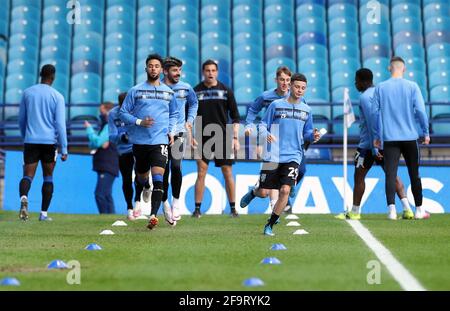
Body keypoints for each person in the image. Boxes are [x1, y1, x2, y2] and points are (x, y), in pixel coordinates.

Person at [240, 73, 320, 235]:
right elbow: (263, 124)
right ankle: (254, 192)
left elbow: (307, 132)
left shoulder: (306, 110)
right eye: (297, 86)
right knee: (264, 192)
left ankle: (270, 224)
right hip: (273, 154)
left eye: (303, 88)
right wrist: (265, 134)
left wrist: (313, 136)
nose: (299, 90)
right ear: (290, 86)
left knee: (285, 190)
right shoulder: (276, 105)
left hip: (294, 155)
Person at [335, 68, 413, 220]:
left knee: (359, 177)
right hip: (388, 143)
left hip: (368, 145)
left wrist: (375, 146)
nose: (355, 83)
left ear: (363, 81)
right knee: (393, 176)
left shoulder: (365, 97)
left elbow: (373, 122)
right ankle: (407, 209)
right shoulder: (382, 93)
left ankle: (355, 211)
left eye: (356, 80)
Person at [119, 54, 179, 229]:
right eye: (150, 66)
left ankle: (153, 215)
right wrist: (139, 122)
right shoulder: (135, 91)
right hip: (140, 142)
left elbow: (174, 114)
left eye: (156, 66)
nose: (153, 68)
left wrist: (172, 131)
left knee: (159, 176)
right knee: (142, 176)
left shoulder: (169, 92)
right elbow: (123, 112)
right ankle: (145, 186)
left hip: (160, 141)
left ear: (162, 70)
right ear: (146, 69)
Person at [372, 56, 430, 220]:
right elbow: (420, 111)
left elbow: (375, 113)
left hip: (390, 138)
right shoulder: (412, 86)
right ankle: (419, 210)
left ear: (389, 68)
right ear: (404, 69)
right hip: (410, 137)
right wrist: (425, 132)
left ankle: (391, 210)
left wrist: (377, 136)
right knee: (414, 174)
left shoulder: (381, 87)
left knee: (390, 174)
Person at [18, 64, 68, 221]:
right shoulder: (57, 96)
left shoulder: (27, 93)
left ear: (40, 75)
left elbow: (21, 120)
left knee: (28, 175)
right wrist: (64, 148)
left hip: (31, 140)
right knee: (48, 177)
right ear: (53, 77)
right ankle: (44, 214)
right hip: (49, 142)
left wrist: (24, 136)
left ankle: (24, 198)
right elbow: (60, 124)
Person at [193, 59, 240, 218]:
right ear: (203, 72)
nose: (210, 73)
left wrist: (235, 138)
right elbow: (189, 116)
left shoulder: (226, 91)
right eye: (207, 70)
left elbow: (235, 117)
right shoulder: (195, 92)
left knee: (227, 171)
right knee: (201, 171)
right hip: (202, 137)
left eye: (213, 70)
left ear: (217, 72)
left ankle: (233, 209)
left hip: (223, 136)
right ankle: (197, 210)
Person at [244, 66, 295, 211]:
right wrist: (248, 125)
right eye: (282, 80)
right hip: (271, 138)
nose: (285, 83)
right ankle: (256, 192)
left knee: (298, 169)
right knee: (264, 191)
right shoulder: (266, 97)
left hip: (290, 143)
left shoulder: (295, 98)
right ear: (276, 80)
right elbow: (253, 109)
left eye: (287, 80)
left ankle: (276, 205)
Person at [161, 56, 198, 225]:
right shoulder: (158, 88)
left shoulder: (186, 88)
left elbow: (194, 104)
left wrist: (189, 121)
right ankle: (164, 203)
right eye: (175, 70)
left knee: (176, 166)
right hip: (160, 135)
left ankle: (176, 202)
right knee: (163, 170)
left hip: (178, 133)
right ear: (165, 71)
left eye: (179, 70)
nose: (178, 73)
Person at [109, 92, 143, 220]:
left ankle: (138, 201)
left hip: (138, 146)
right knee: (127, 179)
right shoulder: (113, 114)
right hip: (123, 150)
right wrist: (122, 137)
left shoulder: (138, 111)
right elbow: (111, 136)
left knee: (140, 174)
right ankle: (129, 208)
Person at [85, 102, 118, 214]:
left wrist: (89, 129)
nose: (100, 115)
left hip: (108, 164)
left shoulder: (109, 126)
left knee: (100, 194)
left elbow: (98, 142)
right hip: (106, 164)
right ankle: (110, 218)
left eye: (102, 113)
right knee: (106, 194)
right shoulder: (107, 126)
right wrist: (97, 142)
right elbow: (95, 144)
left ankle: (104, 216)